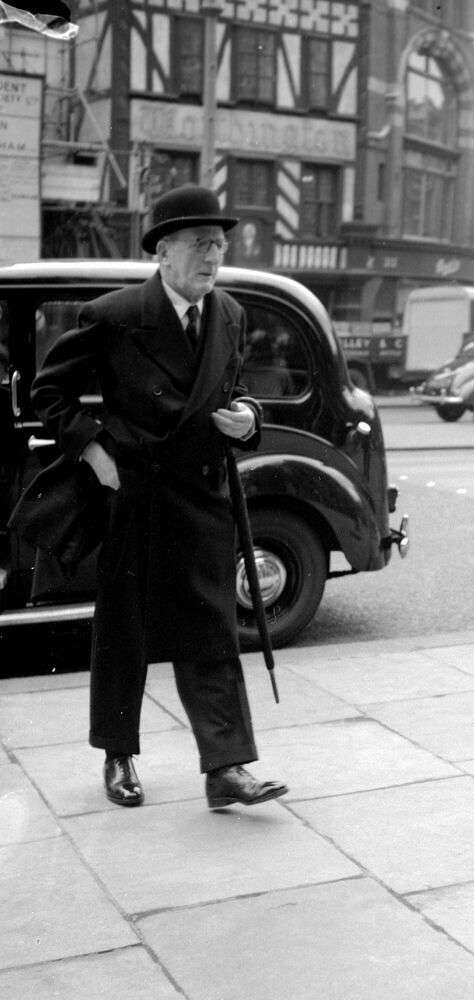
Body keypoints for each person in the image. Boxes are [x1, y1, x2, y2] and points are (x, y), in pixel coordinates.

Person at [31, 185, 288, 811]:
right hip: (137, 495)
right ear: (164, 251)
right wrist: (95, 451)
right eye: (200, 244)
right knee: (125, 632)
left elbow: (235, 389)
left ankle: (226, 768)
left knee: (212, 630)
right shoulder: (114, 315)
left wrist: (247, 419)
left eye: (219, 245)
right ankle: (118, 756)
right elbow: (50, 394)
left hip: (202, 493)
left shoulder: (230, 314)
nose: (213, 257)